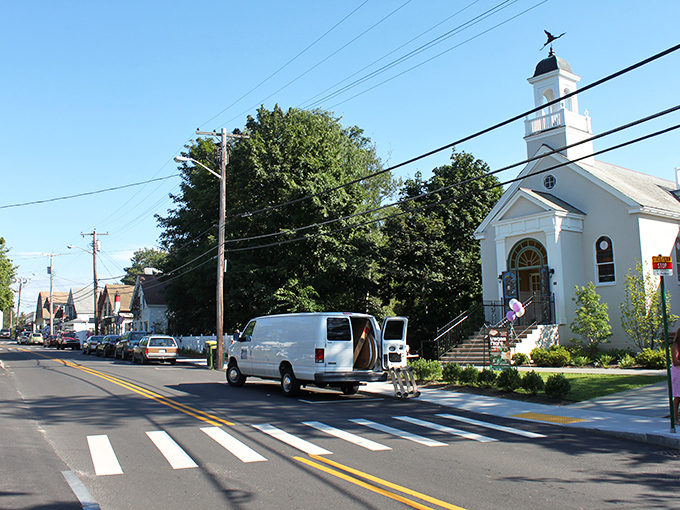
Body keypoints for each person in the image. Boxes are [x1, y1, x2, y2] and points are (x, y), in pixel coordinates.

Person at [672, 330, 680, 422]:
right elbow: (675, 362)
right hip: (677, 373)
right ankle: (675, 419)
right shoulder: (675, 346)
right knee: (677, 396)